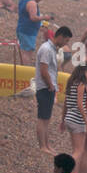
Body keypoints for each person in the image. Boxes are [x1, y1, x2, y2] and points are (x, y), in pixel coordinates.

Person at [35, 26, 69, 155]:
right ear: (60, 36)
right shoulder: (46, 49)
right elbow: (44, 70)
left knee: (47, 118)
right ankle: (42, 145)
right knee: (42, 117)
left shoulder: (52, 49)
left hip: (48, 86)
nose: (65, 44)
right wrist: (50, 85)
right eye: (66, 41)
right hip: (44, 87)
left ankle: (47, 144)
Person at [16, 0, 44, 64]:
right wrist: (44, 17)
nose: (40, 0)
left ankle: (22, 70)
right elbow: (33, 17)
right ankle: (25, 71)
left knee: (23, 51)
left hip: (21, 28)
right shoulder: (32, 3)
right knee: (27, 53)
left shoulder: (23, 0)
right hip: (28, 31)